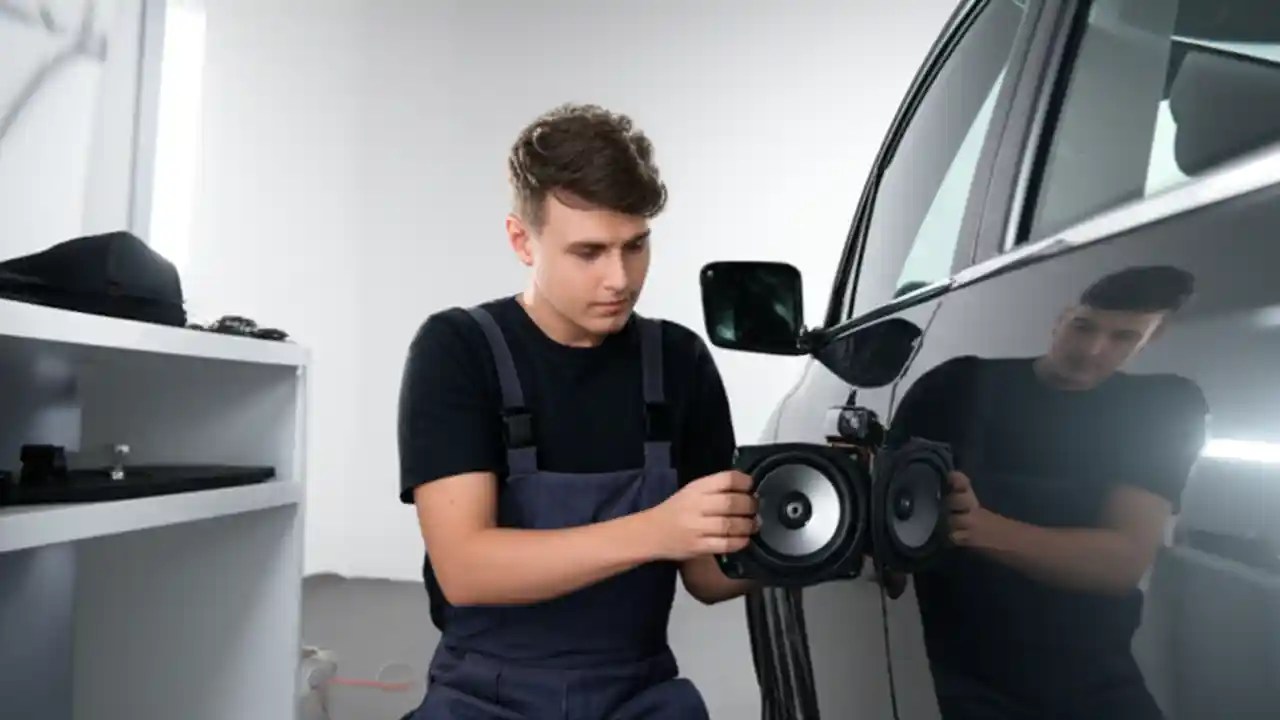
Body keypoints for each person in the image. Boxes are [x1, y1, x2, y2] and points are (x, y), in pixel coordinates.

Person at [397, 103, 760, 719]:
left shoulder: (679, 360)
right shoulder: (458, 349)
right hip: (485, 697)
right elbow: (466, 568)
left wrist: (825, 532)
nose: (620, 278)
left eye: (636, 245)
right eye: (588, 252)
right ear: (522, 240)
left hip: (639, 695)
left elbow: (707, 574)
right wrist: (656, 530)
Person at [887, 266, 1209, 719]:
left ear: (1154, 336)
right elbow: (886, 528)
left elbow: (1120, 562)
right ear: (1060, 318)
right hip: (959, 667)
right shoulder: (957, 387)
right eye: (1084, 327)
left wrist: (976, 527)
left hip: (1091, 669)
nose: (1092, 350)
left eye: (1123, 336)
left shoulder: (1160, 407)